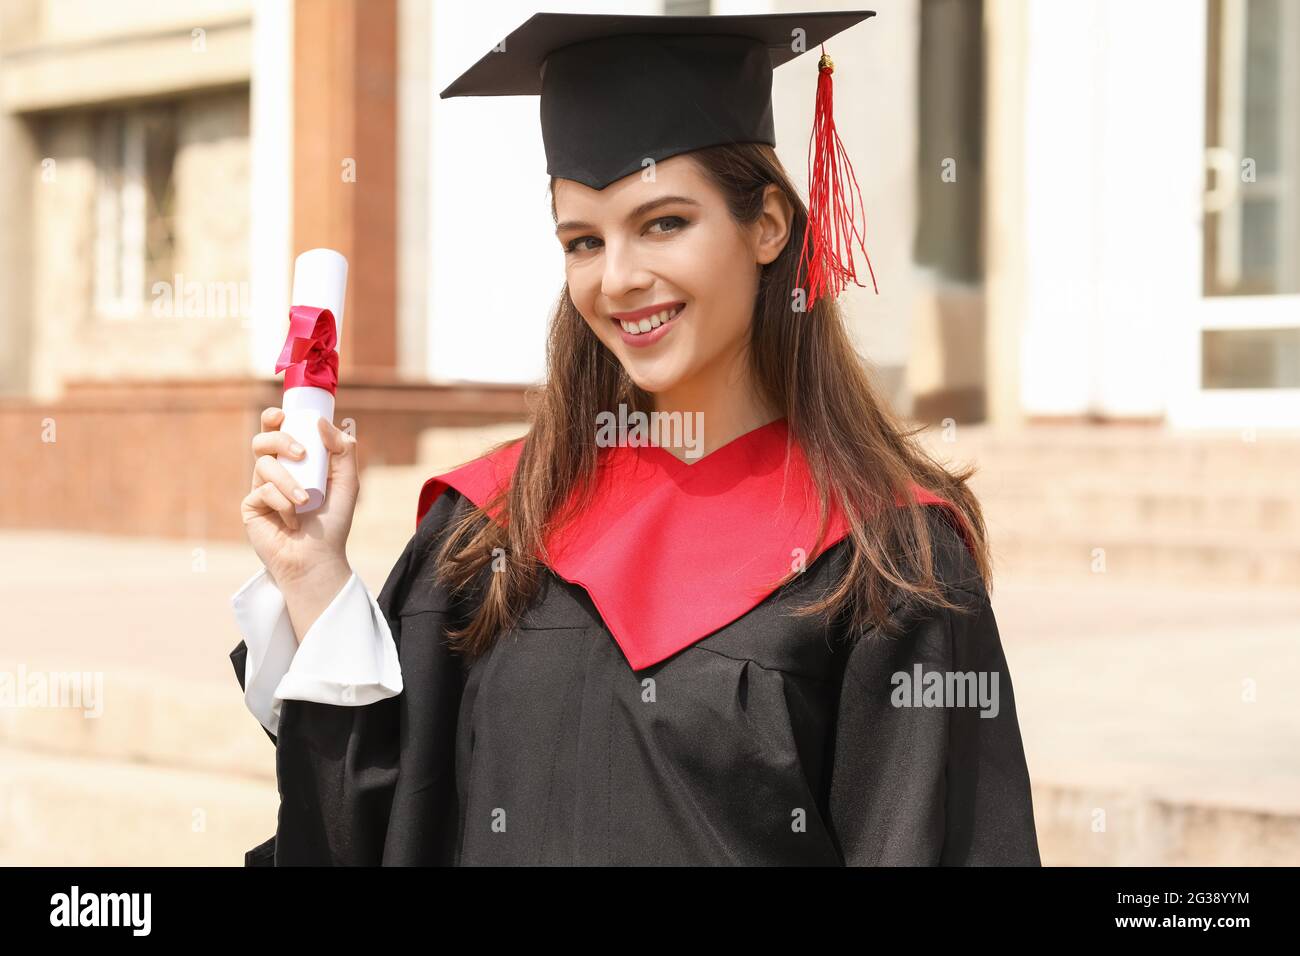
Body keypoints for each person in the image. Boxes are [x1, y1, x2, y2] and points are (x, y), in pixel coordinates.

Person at [230, 9, 1041, 866]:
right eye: (584, 240)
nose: (618, 280)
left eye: (663, 224)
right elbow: (389, 817)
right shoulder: (493, 529)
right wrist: (315, 577)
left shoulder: (884, 560)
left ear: (768, 225)